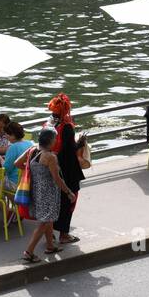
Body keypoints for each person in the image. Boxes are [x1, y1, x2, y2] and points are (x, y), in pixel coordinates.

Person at [17, 129, 76, 263]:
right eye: (55, 138)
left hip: (35, 190)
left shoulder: (32, 150)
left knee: (48, 219)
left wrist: (35, 171)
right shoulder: (50, 157)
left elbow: (18, 163)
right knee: (44, 222)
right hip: (48, 193)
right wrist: (68, 192)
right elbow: (57, 179)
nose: (56, 140)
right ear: (50, 141)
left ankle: (50, 246)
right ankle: (29, 252)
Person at [45, 93, 85, 246]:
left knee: (53, 201)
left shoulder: (47, 123)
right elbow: (69, 150)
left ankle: (50, 234)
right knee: (69, 200)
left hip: (50, 165)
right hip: (67, 169)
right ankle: (64, 234)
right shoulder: (67, 127)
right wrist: (80, 144)